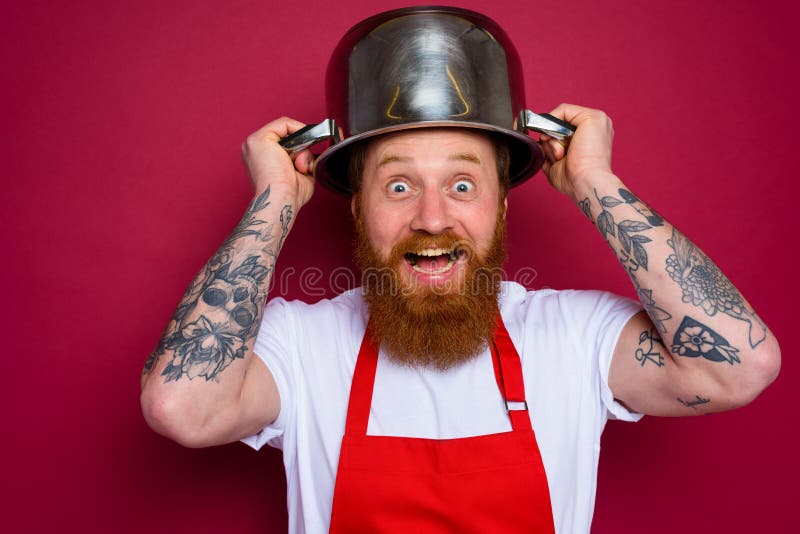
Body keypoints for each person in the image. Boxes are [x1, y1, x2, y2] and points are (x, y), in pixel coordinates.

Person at [140, 104, 780, 532]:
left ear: (502, 211)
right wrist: (275, 198)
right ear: (357, 214)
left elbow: (738, 369)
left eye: (464, 185)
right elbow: (182, 409)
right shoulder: (301, 344)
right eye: (398, 186)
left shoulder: (573, 337)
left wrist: (592, 179)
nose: (433, 217)